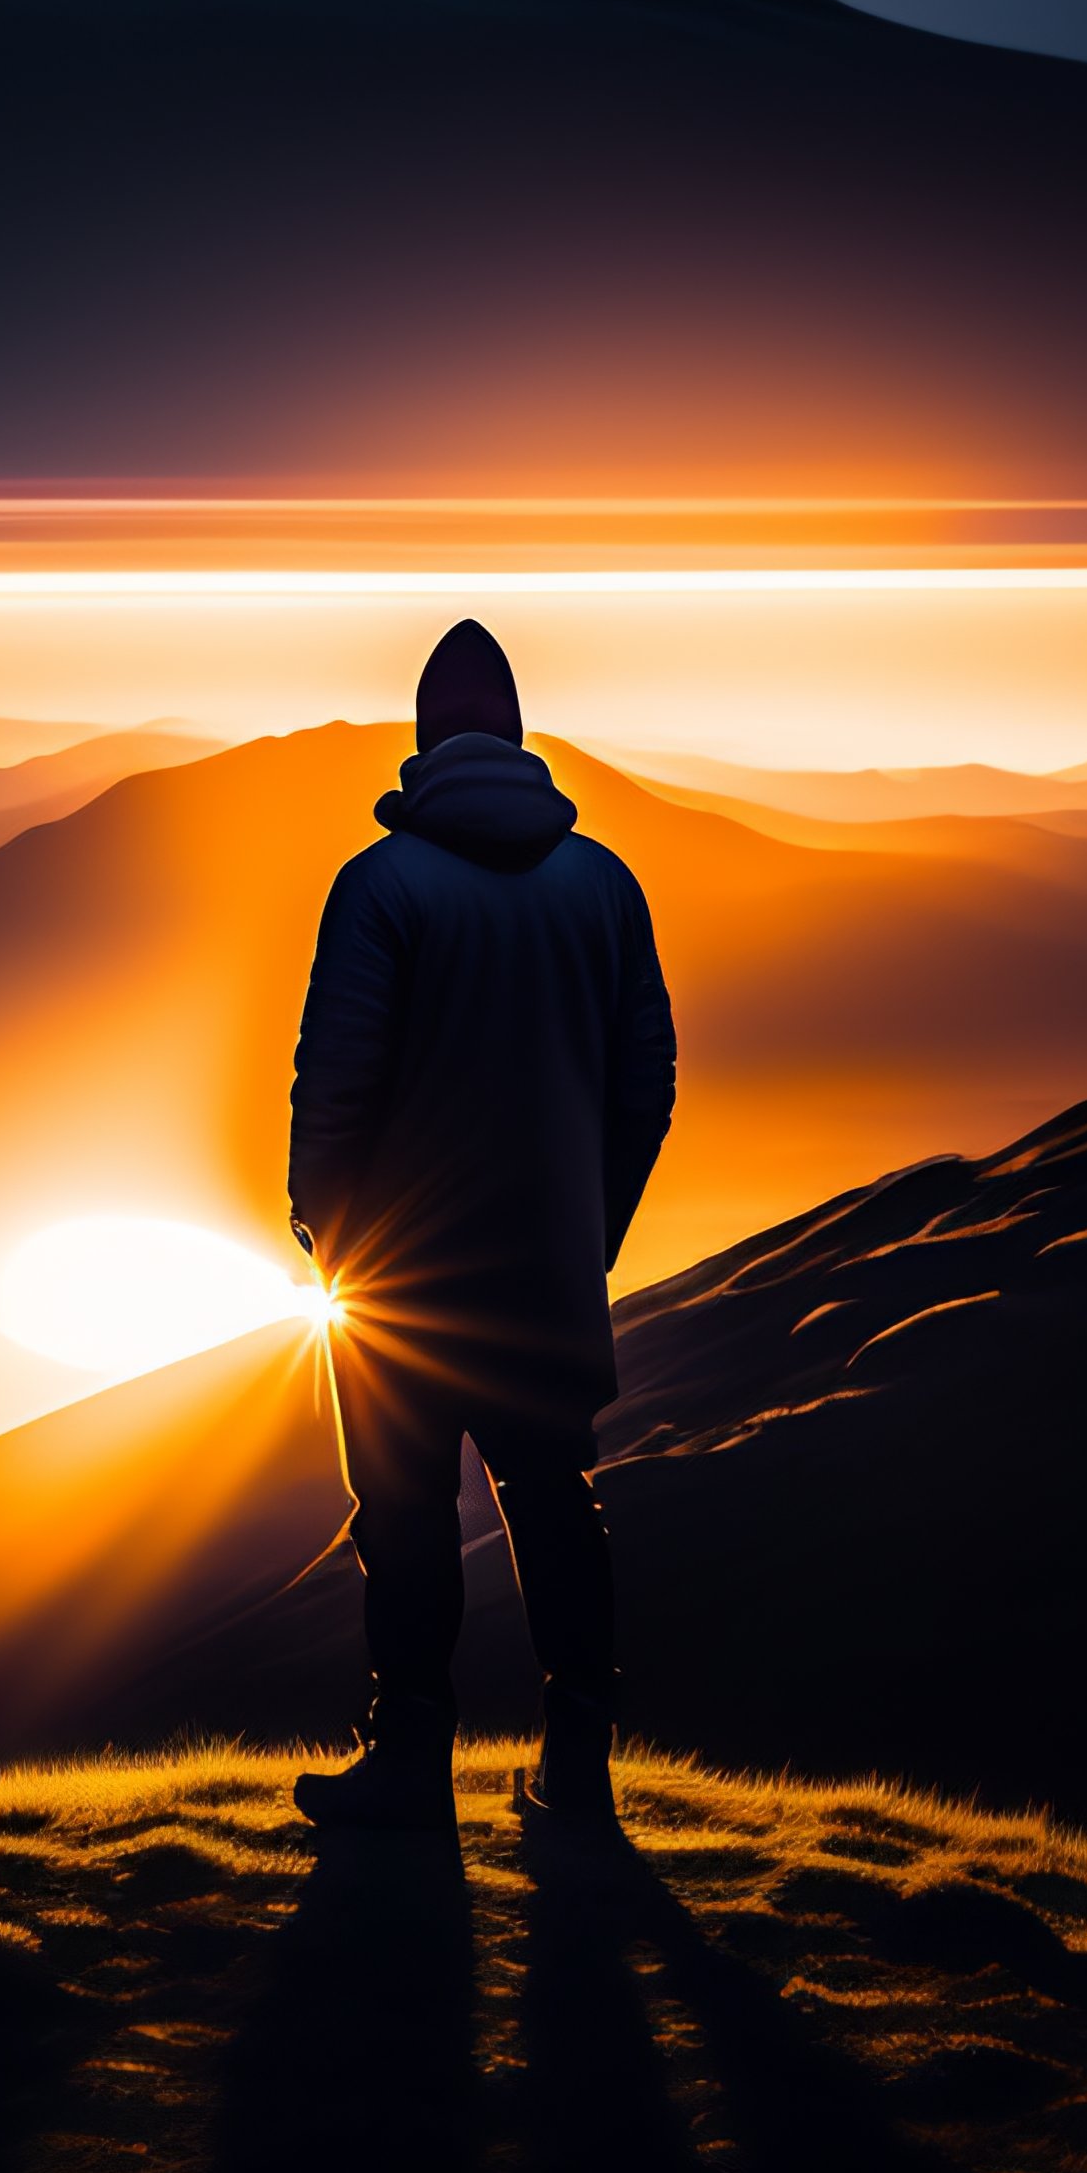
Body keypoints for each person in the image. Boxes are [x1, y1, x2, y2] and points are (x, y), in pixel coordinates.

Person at [287, 619, 676, 1829]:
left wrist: (322, 1227)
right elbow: (645, 1078)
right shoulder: (602, 883)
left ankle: (406, 1766)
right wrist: (591, 1227)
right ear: (514, 735)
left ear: (422, 741)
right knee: (557, 1504)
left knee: (401, 1520)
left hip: (399, 1282)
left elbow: (335, 1079)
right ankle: (579, 1762)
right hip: (546, 1271)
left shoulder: (380, 886)